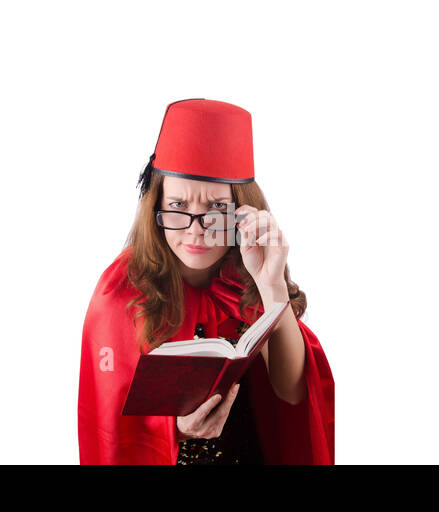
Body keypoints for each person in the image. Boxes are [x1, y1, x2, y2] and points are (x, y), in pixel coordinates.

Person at [78, 99, 334, 465]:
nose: (196, 231)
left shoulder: (246, 269)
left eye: (215, 209)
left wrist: (271, 284)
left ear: (240, 208)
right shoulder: (121, 289)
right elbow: (107, 422)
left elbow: (292, 393)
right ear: (156, 210)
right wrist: (175, 429)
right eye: (179, 207)